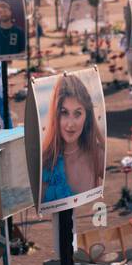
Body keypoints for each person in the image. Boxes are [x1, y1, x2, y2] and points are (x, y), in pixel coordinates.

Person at [39, 72, 106, 205]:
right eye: (64, 113)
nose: (70, 124)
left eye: (77, 114)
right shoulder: (43, 161)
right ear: (55, 115)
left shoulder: (97, 155)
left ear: (87, 116)